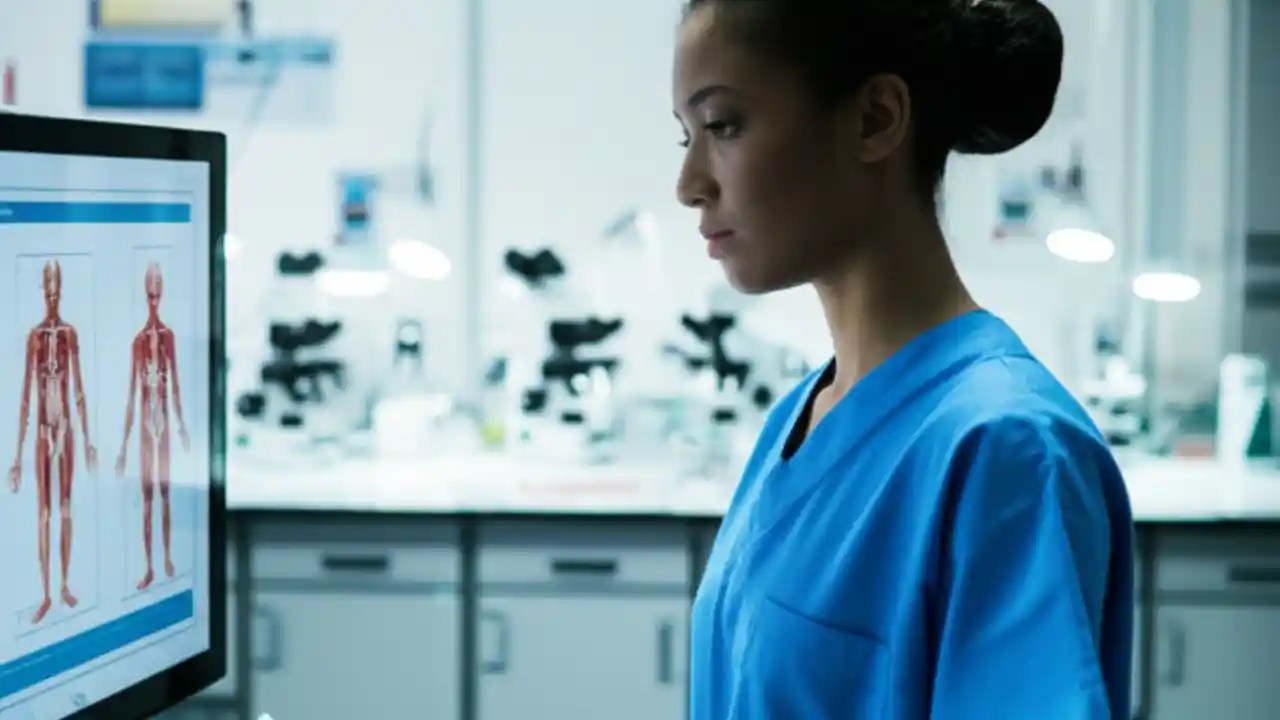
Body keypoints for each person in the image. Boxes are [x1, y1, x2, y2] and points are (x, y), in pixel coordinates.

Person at [672, 1, 1134, 717]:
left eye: (724, 126)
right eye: (686, 139)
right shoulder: (800, 420)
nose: (690, 183)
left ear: (876, 118)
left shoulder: (1004, 450)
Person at [10, 259, 98, 624]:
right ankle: (46, 593)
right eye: (48, 285)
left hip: (66, 431)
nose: (52, 292)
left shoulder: (68, 334)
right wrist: (16, 457)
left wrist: (89, 439)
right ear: (42, 289)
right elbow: (26, 398)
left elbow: (77, 389)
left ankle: (63, 585)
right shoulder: (34, 337)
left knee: (64, 508)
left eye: (56, 285)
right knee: (43, 513)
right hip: (44, 432)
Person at [117, 262, 190, 591]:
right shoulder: (136, 342)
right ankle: (149, 567)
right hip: (147, 427)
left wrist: (182, 424)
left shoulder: (169, 337)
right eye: (150, 290)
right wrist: (123, 445)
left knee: (166, 494)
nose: (154, 297)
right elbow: (132, 394)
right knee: (148, 498)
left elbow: (174, 384)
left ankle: (168, 558)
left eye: (158, 289)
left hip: (163, 424)